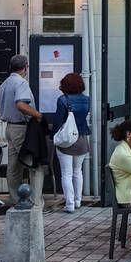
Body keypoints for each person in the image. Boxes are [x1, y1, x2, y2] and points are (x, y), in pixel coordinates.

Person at [0, 55, 44, 206]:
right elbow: (21, 104)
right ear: (25, 68)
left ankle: (17, 200)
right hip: (21, 128)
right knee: (34, 166)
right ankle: (35, 203)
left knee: (13, 167)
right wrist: (37, 115)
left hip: (9, 127)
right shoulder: (21, 82)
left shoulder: (5, 84)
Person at [53, 72, 92, 214]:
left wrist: (53, 136)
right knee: (78, 171)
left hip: (67, 139)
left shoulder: (63, 100)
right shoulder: (87, 100)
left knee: (66, 173)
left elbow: (58, 121)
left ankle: (69, 204)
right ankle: (78, 200)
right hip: (82, 138)